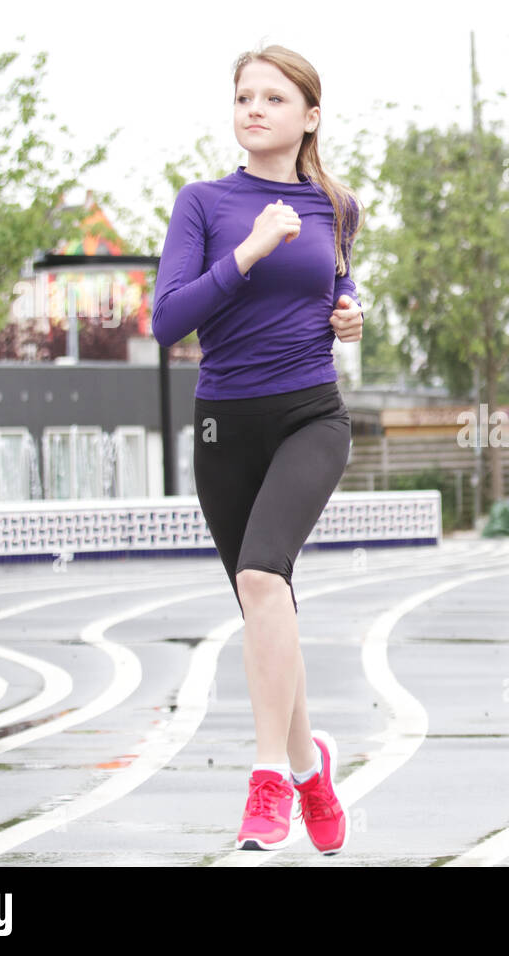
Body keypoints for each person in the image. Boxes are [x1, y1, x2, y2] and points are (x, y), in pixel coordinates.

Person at [151, 43, 365, 855]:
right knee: (266, 604)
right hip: (223, 426)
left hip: (311, 414)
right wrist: (247, 253)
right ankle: (313, 767)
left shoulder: (336, 206)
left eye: (273, 98)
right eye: (244, 96)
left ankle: (269, 778)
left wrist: (349, 313)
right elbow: (168, 322)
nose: (254, 109)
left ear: (309, 116)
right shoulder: (203, 202)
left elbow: (336, 288)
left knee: (260, 574)